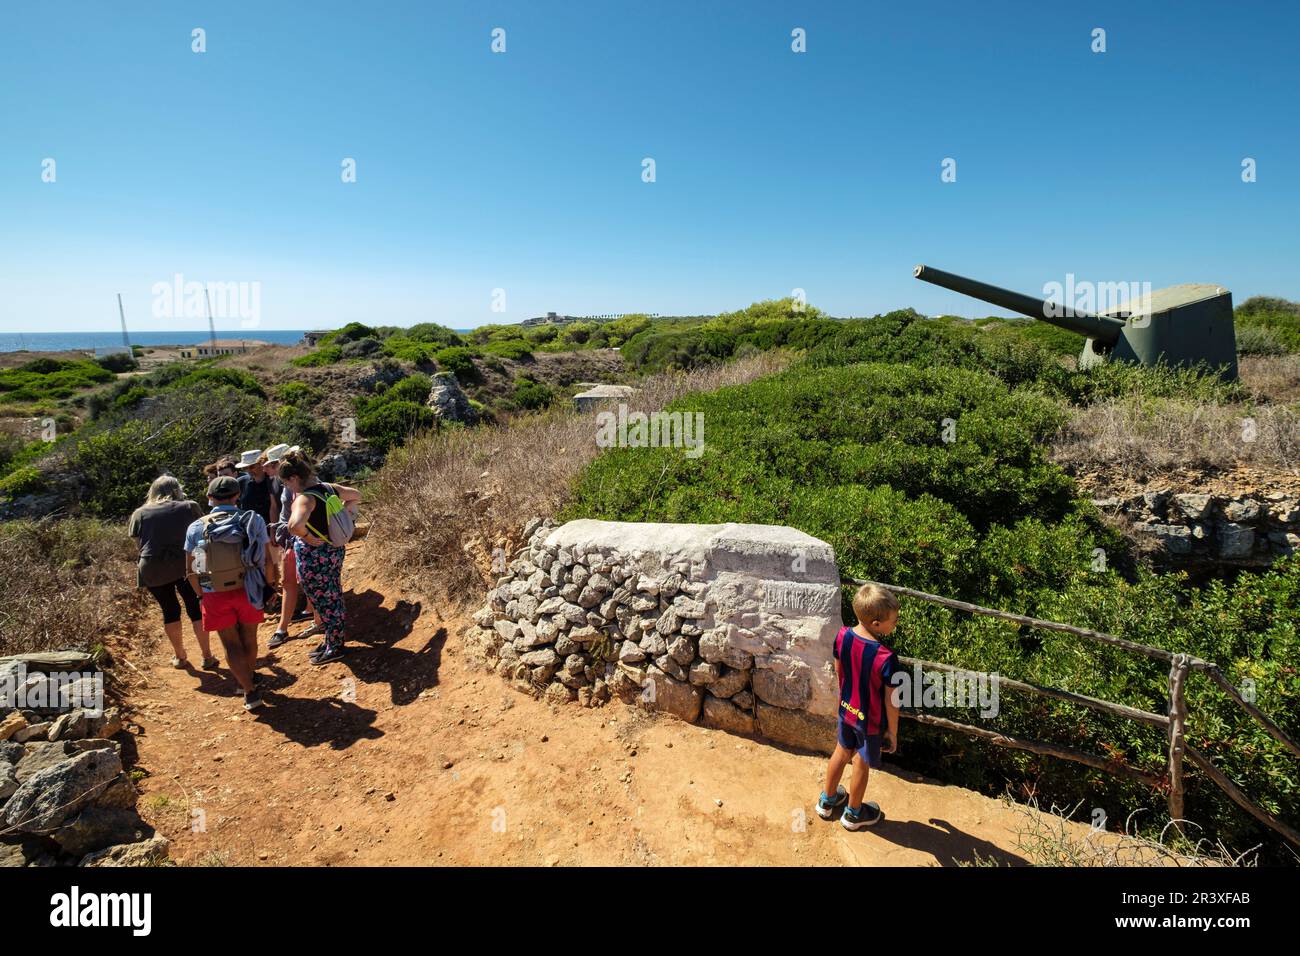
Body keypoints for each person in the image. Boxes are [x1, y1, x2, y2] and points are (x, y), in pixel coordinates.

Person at [184, 475, 274, 711]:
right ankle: (250, 676)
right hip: (250, 587)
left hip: (215, 592)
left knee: (231, 644)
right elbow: (267, 559)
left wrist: (202, 594)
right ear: (237, 496)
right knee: (250, 638)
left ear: (209, 498)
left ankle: (248, 691)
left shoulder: (196, 527)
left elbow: (193, 567)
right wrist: (271, 585)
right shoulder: (251, 520)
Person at [817, 583, 901, 830]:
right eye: (893, 621)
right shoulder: (886, 658)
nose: (895, 624)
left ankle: (827, 800)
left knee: (841, 751)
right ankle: (854, 814)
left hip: (847, 710)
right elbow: (891, 701)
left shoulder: (842, 635)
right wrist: (892, 733)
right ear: (876, 624)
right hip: (870, 721)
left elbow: (838, 669)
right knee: (861, 762)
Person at [278, 449, 360, 665]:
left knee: (325, 601)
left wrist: (307, 536)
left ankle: (336, 646)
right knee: (332, 595)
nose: (287, 487)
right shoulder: (328, 488)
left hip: (315, 557)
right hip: (334, 551)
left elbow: (294, 525)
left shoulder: (304, 499)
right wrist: (345, 513)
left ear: (294, 478)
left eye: (286, 483)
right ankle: (331, 640)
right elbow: (356, 495)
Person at [128, 476, 218, 670]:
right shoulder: (189, 506)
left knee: (169, 610)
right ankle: (207, 656)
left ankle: (180, 656)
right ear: (177, 489)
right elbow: (201, 534)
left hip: (152, 566)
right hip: (186, 563)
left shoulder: (139, 513)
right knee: (195, 606)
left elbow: (139, 545)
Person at [263, 444, 321, 648]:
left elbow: (287, 517)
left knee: (307, 582)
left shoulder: (301, 487)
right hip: (296, 540)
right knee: (291, 581)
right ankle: (284, 627)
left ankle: (309, 622)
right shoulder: (310, 484)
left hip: (301, 540)